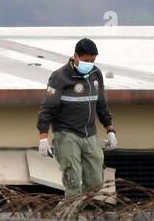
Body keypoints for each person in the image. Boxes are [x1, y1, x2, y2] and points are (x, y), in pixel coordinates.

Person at [36, 38, 117, 196]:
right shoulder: (59, 77)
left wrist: (110, 130)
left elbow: (101, 104)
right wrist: (43, 137)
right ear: (75, 56)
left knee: (95, 182)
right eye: (86, 60)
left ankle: (67, 212)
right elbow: (47, 108)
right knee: (74, 182)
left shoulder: (95, 75)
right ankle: (76, 219)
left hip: (89, 133)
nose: (90, 63)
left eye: (93, 60)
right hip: (66, 134)